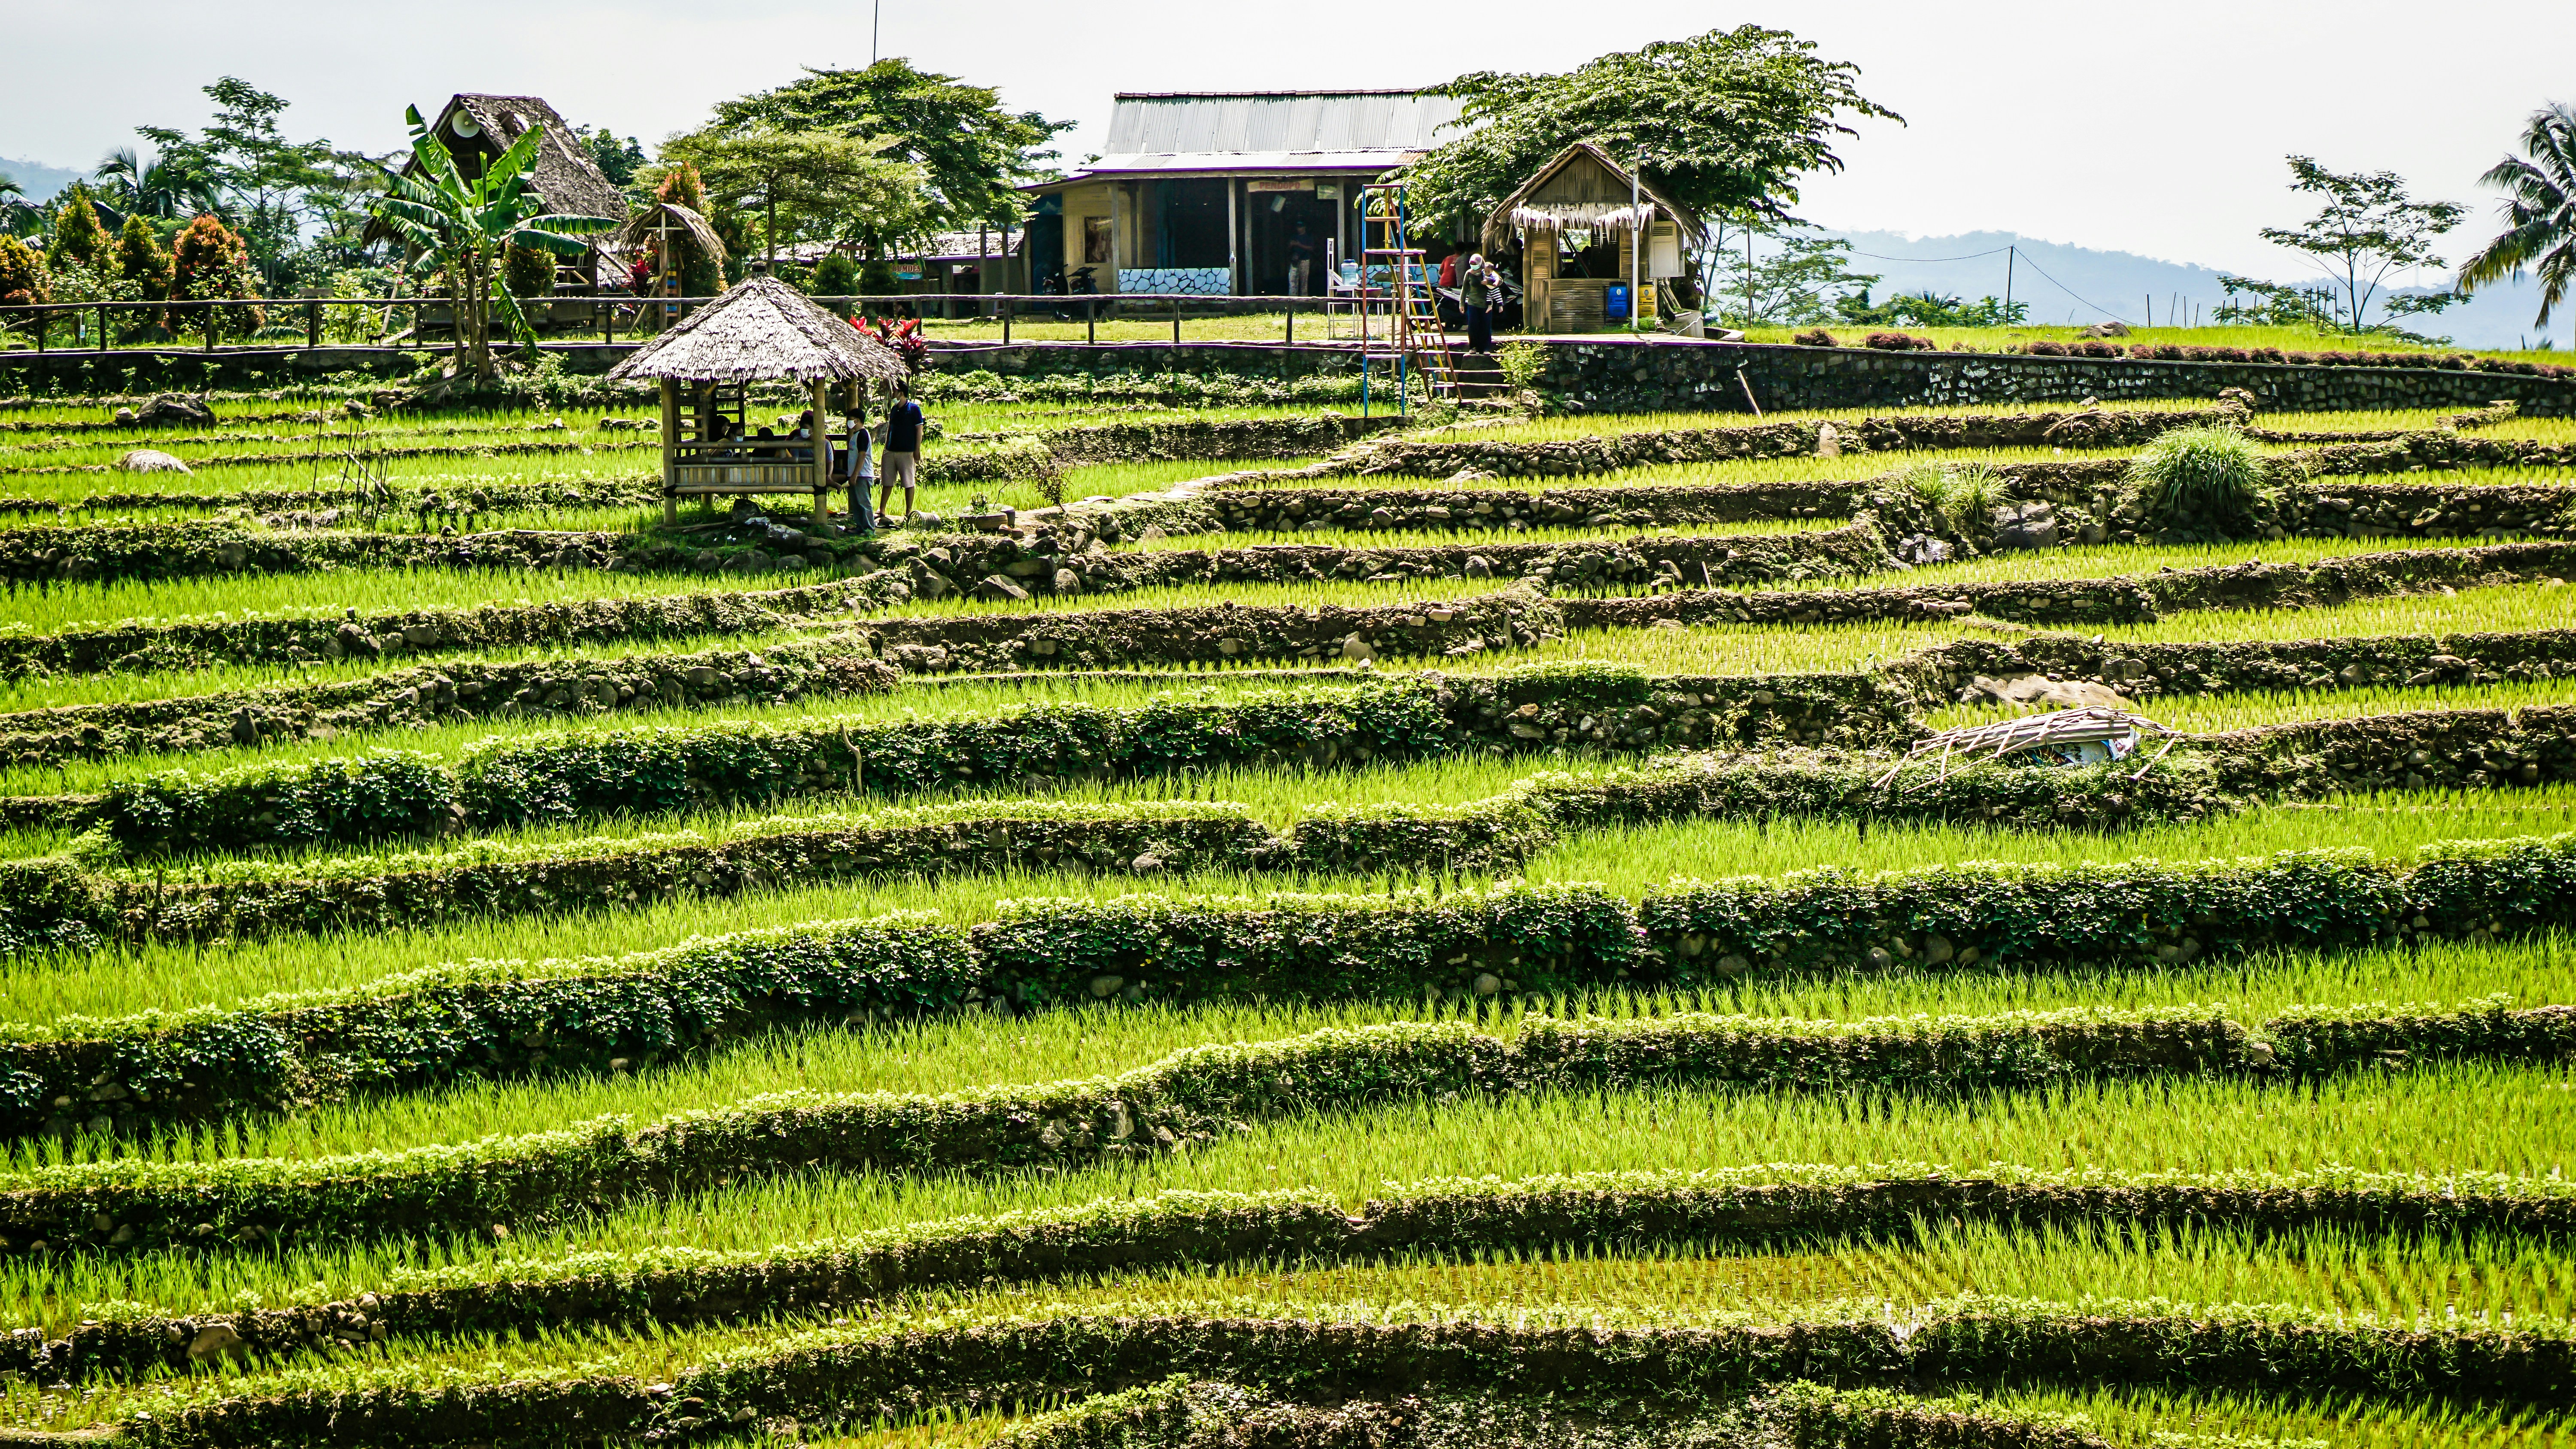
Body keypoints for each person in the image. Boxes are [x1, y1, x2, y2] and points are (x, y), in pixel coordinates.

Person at [876, 380, 924, 527]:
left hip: (907, 452)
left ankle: (908, 512)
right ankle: (881, 509)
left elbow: (919, 430)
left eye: (895, 391)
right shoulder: (895, 410)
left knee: (908, 482)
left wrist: (917, 449)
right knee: (887, 481)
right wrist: (886, 447)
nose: (892, 394)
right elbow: (890, 428)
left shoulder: (914, 409)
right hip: (891, 450)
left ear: (901, 393)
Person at [1461, 252, 1496, 353]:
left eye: (1475, 263)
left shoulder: (1487, 272)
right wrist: (1462, 304)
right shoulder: (1469, 274)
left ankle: (1486, 348)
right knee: (1473, 326)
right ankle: (1473, 347)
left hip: (1486, 304)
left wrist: (1489, 282)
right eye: (1472, 263)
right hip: (1473, 303)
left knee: (1486, 326)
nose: (1473, 265)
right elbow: (1464, 290)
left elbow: (1499, 281)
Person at [1286, 221, 1317, 296]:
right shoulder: (1294, 237)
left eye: (1300, 227)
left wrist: (1299, 245)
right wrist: (1291, 245)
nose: (1298, 229)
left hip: (1305, 260)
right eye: (1297, 227)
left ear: (1304, 227)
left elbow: (1311, 248)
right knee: (1292, 280)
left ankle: (1304, 300)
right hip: (1295, 261)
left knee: (1304, 282)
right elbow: (1288, 249)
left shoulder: (1308, 237)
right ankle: (1292, 299)